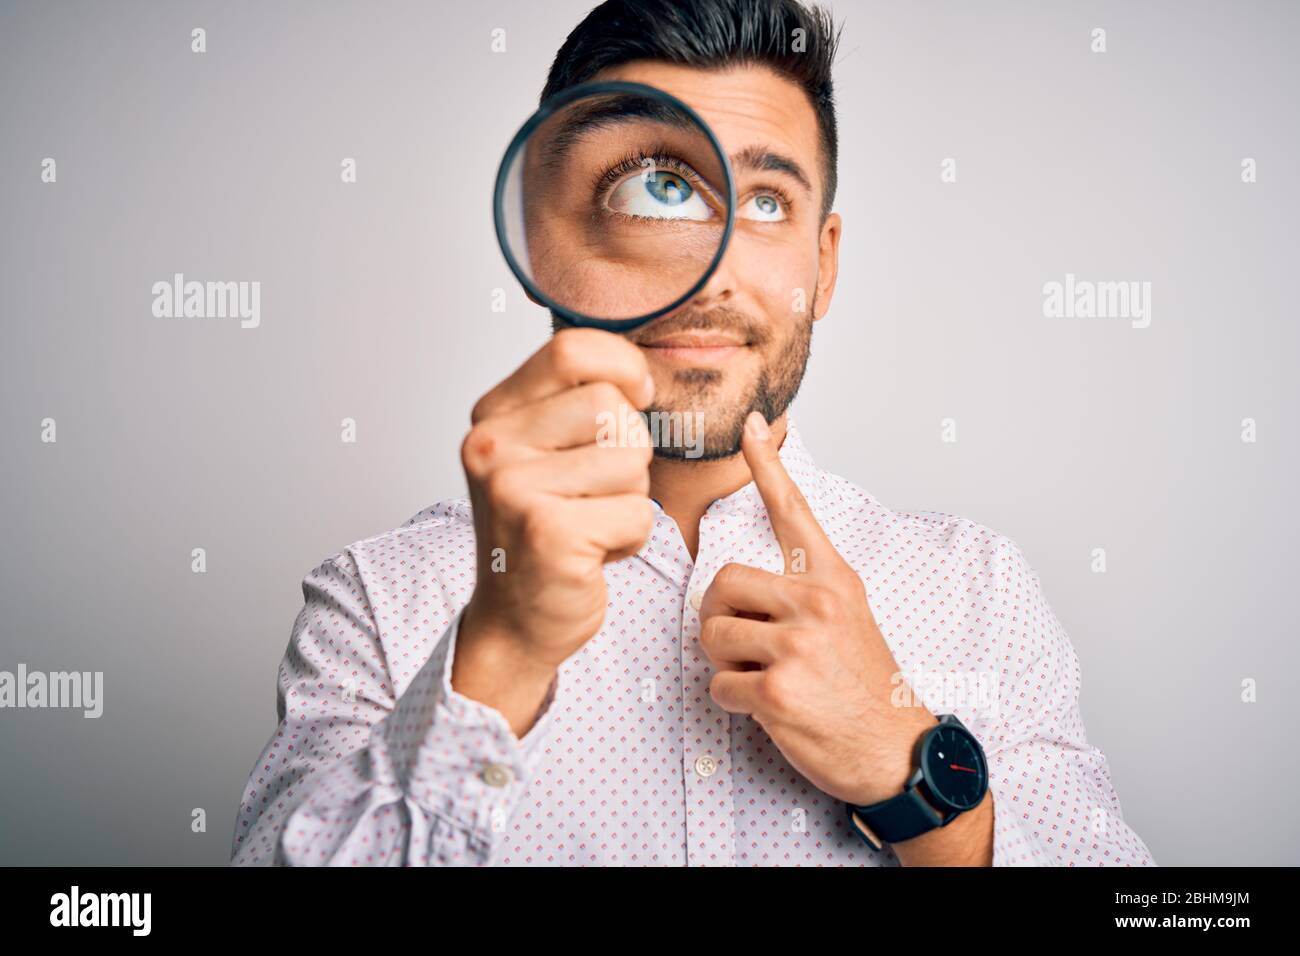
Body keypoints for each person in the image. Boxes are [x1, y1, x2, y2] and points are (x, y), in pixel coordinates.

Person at [231, 0, 1155, 866]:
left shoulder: (975, 590)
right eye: (656, 190)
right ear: (543, 242)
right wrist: (499, 657)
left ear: (823, 267)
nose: (711, 279)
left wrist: (908, 763)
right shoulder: (381, 598)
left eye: (763, 202)